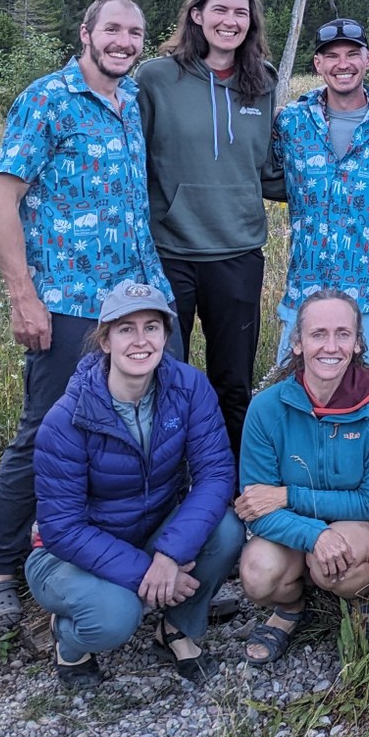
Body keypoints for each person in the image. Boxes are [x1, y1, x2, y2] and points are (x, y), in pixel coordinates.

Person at [0, 0, 175, 631]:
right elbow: (0, 203)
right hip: (67, 304)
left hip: (138, 302)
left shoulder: (129, 103)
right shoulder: (47, 99)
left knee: (153, 428)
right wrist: (22, 295)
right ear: (85, 33)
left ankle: (139, 557)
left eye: (134, 32)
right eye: (112, 29)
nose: (123, 41)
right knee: (46, 431)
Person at [25, 280, 243, 688]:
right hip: (66, 554)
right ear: (105, 340)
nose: (140, 340)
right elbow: (61, 528)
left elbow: (215, 475)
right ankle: (68, 639)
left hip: (148, 533)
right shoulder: (66, 419)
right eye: (126, 329)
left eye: (152, 327)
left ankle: (177, 629)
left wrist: (169, 554)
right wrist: (150, 570)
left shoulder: (188, 387)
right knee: (116, 616)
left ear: (166, 335)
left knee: (226, 530)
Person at [135, 0, 288, 455]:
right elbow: (132, 162)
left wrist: (333, 182)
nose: (230, 20)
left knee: (234, 383)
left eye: (241, 12)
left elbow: (264, 167)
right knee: (162, 379)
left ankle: (236, 491)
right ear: (197, 16)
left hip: (238, 253)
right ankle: (166, 487)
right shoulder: (157, 78)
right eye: (219, 10)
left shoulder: (261, 82)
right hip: (170, 253)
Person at [235, 290, 369, 663]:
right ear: (297, 343)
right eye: (317, 334)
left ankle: (364, 600)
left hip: (365, 524)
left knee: (338, 568)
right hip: (299, 528)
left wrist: (286, 496)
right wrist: (316, 534)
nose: (331, 346)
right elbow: (255, 504)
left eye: (343, 334)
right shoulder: (267, 408)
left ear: (358, 342)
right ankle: (292, 608)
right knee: (256, 573)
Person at [271, 18, 369, 371]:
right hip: (306, 289)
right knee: (296, 399)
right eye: (331, 56)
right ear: (318, 64)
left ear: (367, 59)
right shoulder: (291, 122)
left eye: (353, 54)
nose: (343, 64)